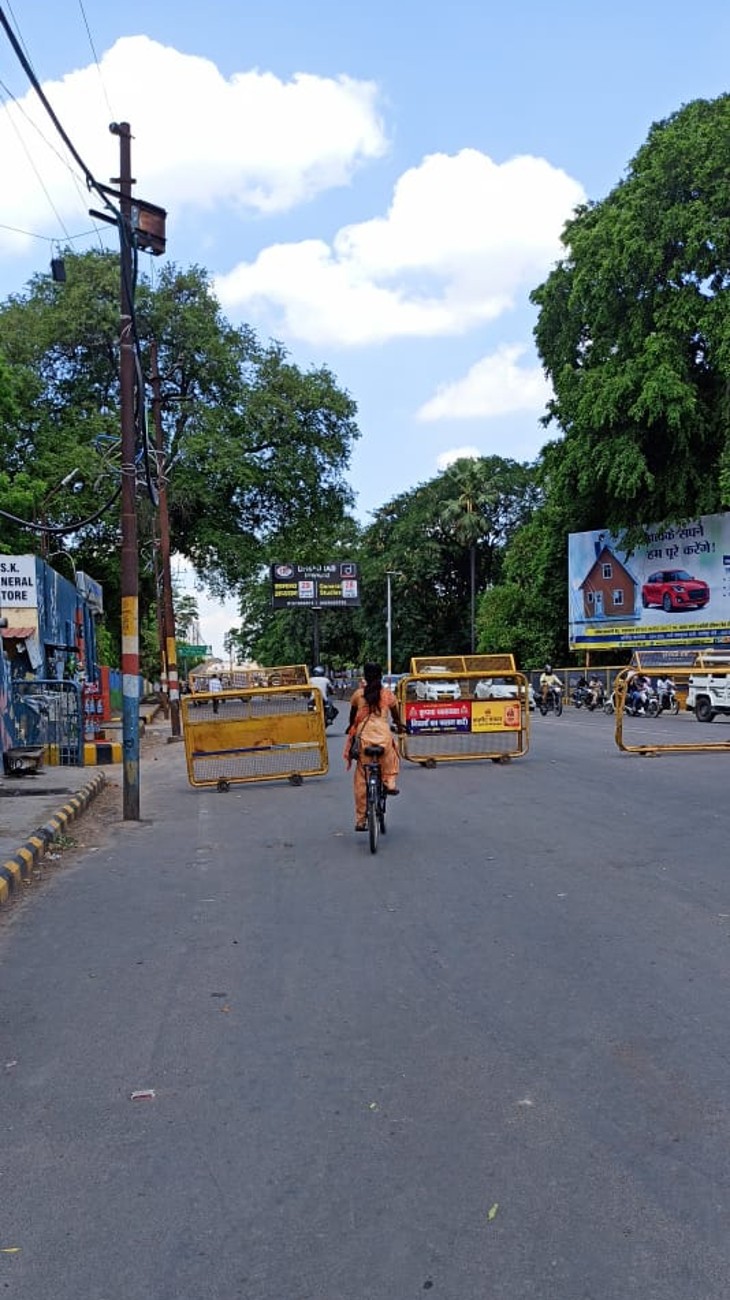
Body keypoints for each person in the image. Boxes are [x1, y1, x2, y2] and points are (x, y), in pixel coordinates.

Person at [344, 662, 404, 832]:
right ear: (380, 675)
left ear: (365, 676)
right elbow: (396, 716)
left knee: (361, 778)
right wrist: (399, 726)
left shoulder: (358, 695)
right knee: (391, 756)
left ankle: (361, 820)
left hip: (364, 739)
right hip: (383, 738)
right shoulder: (387, 695)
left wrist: (350, 728)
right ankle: (390, 783)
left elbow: (352, 718)